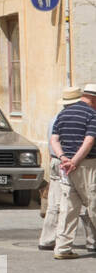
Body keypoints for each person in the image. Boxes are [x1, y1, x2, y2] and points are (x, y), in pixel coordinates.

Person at [39, 87, 96, 251]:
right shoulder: (92, 115)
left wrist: (64, 158)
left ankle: (62, 247)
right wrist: (75, 161)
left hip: (63, 165)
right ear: (93, 99)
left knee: (67, 207)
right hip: (85, 165)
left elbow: (54, 140)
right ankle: (92, 242)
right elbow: (89, 141)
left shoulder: (61, 115)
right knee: (92, 204)